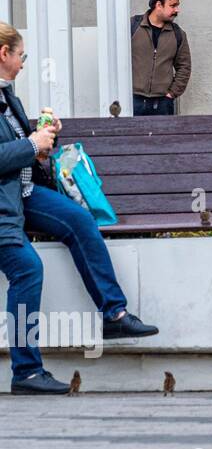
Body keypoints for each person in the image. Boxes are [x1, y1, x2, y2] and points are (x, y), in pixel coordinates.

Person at [0, 23, 158, 395]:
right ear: (3, 54)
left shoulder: (8, 97)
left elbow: (24, 151)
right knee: (27, 268)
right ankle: (26, 371)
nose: (23, 63)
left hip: (20, 193)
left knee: (78, 219)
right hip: (3, 206)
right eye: (21, 55)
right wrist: (30, 144)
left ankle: (114, 314)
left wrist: (43, 139)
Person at [131, 0, 191, 117]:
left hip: (162, 103)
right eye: (173, 6)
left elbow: (184, 67)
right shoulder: (133, 26)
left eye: (177, 5)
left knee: (163, 138)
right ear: (159, 5)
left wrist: (171, 94)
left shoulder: (178, 34)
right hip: (132, 100)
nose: (177, 10)